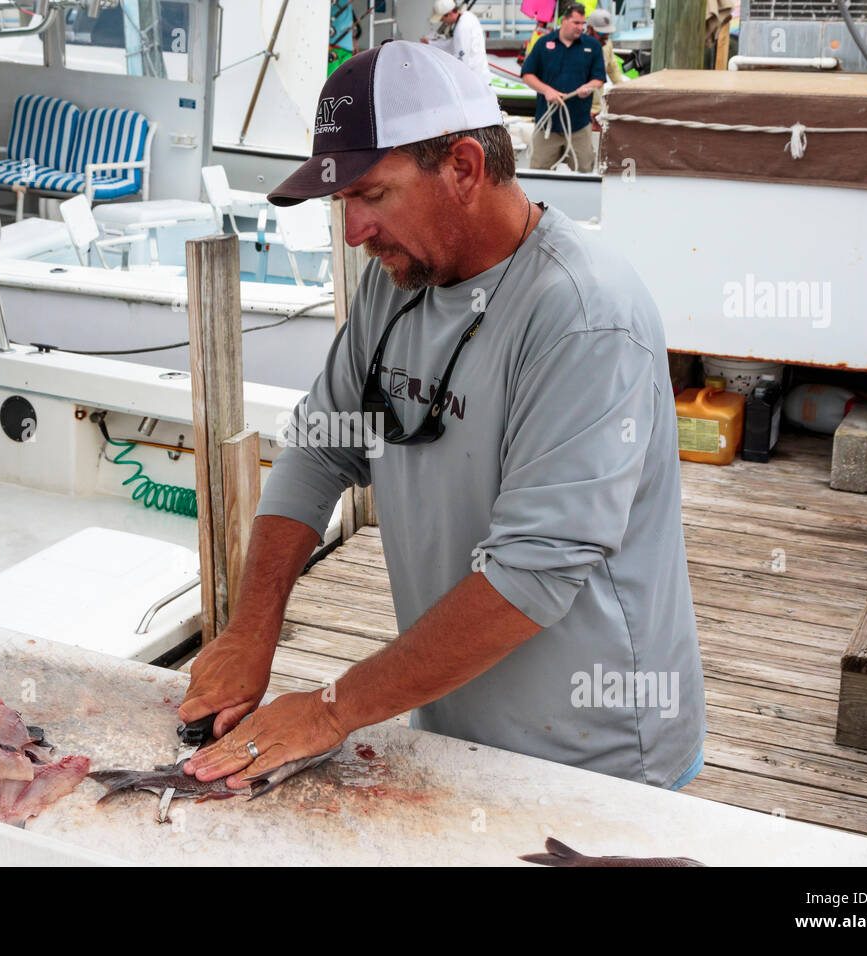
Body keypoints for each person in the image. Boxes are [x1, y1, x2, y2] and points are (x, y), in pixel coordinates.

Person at [176, 39, 705, 795]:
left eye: (372, 194)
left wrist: (332, 710)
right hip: (454, 735)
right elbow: (323, 449)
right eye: (342, 203)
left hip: (601, 761)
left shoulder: (585, 316)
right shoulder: (399, 281)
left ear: (463, 166)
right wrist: (252, 628)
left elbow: (531, 573)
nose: (354, 231)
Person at [519, 2, 604, 171]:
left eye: (583, 23)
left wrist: (588, 87)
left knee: (584, 171)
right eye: (576, 23)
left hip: (579, 125)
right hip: (548, 125)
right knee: (538, 171)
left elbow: (599, 78)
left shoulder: (592, 46)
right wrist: (547, 90)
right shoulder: (544, 44)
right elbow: (527, 75)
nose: (581, 27)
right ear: (564, 20)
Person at [420, 0, 489, 84]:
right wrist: (430, 44)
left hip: (473, 80)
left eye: (443, 18)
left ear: (450, 13)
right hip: (480, 75)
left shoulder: (462, 28)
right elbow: (452, 44)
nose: (442, 21)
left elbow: (461, 60)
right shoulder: (468, 16)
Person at [586, 7, 626, 122]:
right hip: (582, 108)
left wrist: (621, 89)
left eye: (608, 33)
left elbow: (612, 67)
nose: (605, 36)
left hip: (598, 107)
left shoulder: (607, 44)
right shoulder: (578, 48)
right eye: (601, 32)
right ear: (589, 29)